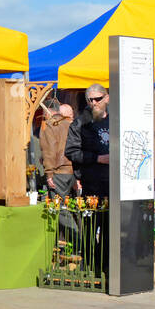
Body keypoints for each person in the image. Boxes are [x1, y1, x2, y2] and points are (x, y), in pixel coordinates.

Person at [65, 83, 111, 199]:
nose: (94, 103)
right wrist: (98, 158)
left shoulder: (116, 120)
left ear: (107, 98)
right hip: (92, 182)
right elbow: (71, 152)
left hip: (115, 181)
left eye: (97, 99)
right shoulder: (79, 124)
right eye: (90, 100)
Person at [41, 100, 78, 230]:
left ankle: (77, 240)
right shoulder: (69, 124)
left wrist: (49, 173)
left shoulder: (51, 125)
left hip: (59, 173)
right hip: (71, 172)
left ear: (48, 111)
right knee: (74, 207)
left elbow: (49, 151)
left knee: (61, 209)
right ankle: (82, 240)